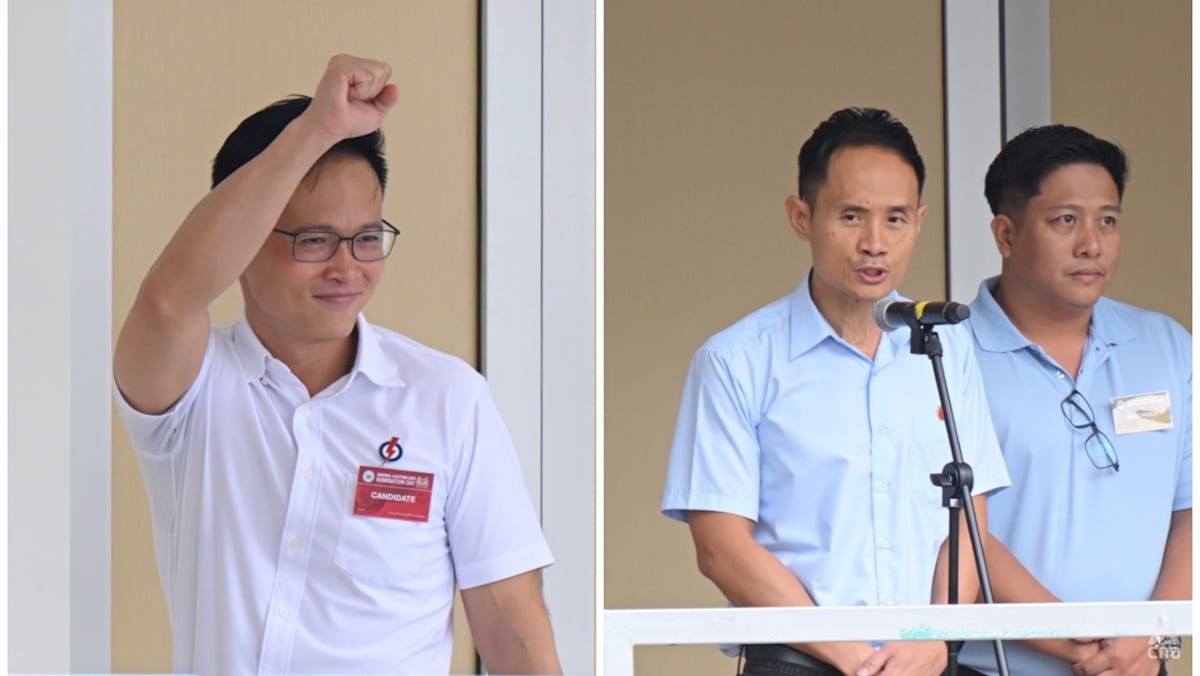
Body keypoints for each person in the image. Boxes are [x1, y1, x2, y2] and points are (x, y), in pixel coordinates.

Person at [113, 54, 562, 675]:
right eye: (315, 240)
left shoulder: (447, 398)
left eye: (367, 238)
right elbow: (165, 302)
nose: (348, 268)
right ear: (244, 243)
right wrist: (318, 129)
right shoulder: (194, 391)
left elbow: (513, 632)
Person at [661, 107, 1010, 676]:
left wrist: (935, 638)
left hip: (924, 661)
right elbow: (721, 547)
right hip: (798, 662)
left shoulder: (946, 347)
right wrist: (852, 656)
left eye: (896, 219)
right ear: (801, 217)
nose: (875, 243)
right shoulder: (736, 360)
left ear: (919, 222)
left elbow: (970, 519)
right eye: (851, 216)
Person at [957, 125, 1191, 676]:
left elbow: (1191, 514)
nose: (1092, 244)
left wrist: (1157, 642)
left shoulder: (1168, 346)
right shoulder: (946, 356)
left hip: (1142, 664)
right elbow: (953, 530)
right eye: (1066, 220)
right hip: (995, 668)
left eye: (1107, 221)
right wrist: (1077, 644)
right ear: (1006, 234)